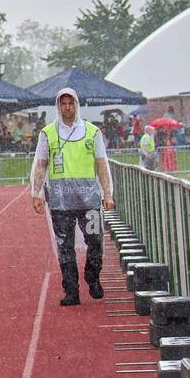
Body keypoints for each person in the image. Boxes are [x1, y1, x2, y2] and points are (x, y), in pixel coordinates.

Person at [31, 87, 115, 307]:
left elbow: (101, 163)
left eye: (71, 103)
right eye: (63, 104)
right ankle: (71, 290)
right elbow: (40, 164)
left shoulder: (92, 132)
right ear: (58, 106)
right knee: (65, 246)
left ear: (77, 105)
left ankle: (92, 277)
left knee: (95, 242)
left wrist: (108, 193)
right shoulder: (47, 133)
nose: (67, 108)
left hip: (89, 201)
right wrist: (36, 192)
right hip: (60, 202)